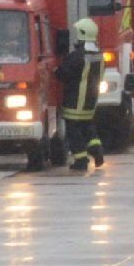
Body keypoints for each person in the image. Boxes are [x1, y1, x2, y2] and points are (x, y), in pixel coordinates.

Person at [59, 17, 106, 172]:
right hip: (90, 102)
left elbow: (63, 73)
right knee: (89, 129)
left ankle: (81, 161)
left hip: (74, 102)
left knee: (74, 132)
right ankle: (98, 153)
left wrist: (55, 71)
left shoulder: (77, 56)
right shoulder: (99, 55)